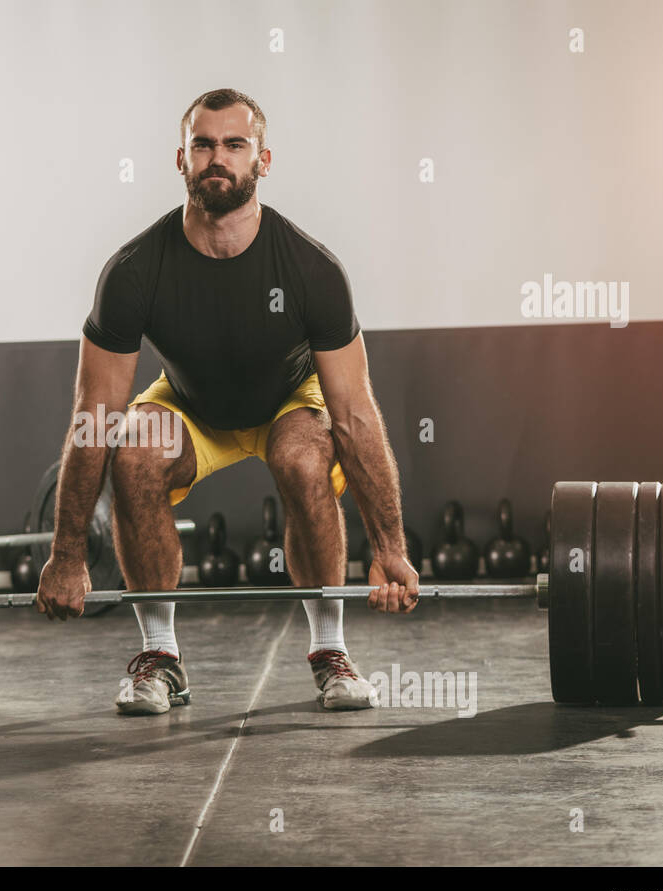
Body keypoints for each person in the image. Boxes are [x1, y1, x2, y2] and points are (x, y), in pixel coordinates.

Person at [34, 89, 418, 715]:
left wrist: (390, 549)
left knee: (302, 459)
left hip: (291, 402)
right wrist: (67, 555)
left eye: (234, 145)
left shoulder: (311, 270)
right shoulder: (133, 272)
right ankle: (159, 658)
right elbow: (94, 417)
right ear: (180, 159)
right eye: (203, 144)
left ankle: (331, 653)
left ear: (262, 161)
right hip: (193, 406)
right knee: (132, 451)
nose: (218, 157)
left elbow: (353, 414)